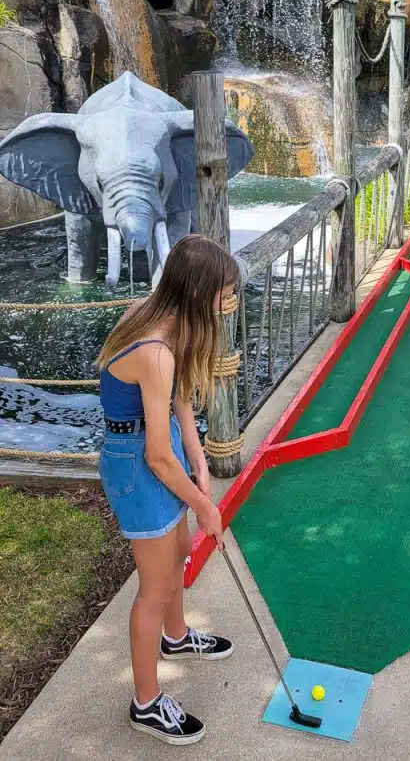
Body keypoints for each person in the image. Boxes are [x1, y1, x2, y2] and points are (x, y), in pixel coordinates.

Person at [97, 234, 239, 746]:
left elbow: (177, 404)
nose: (232, 301)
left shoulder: (165, 318)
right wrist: (205, 505)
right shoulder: (153, 348)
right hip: (136, 462)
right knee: (154, 588)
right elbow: (155, 455)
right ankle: (146, 702)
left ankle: (176, 639)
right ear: (198, 295)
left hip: (157, 448)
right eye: (226, 293)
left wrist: (198, 459)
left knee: (179, 551)